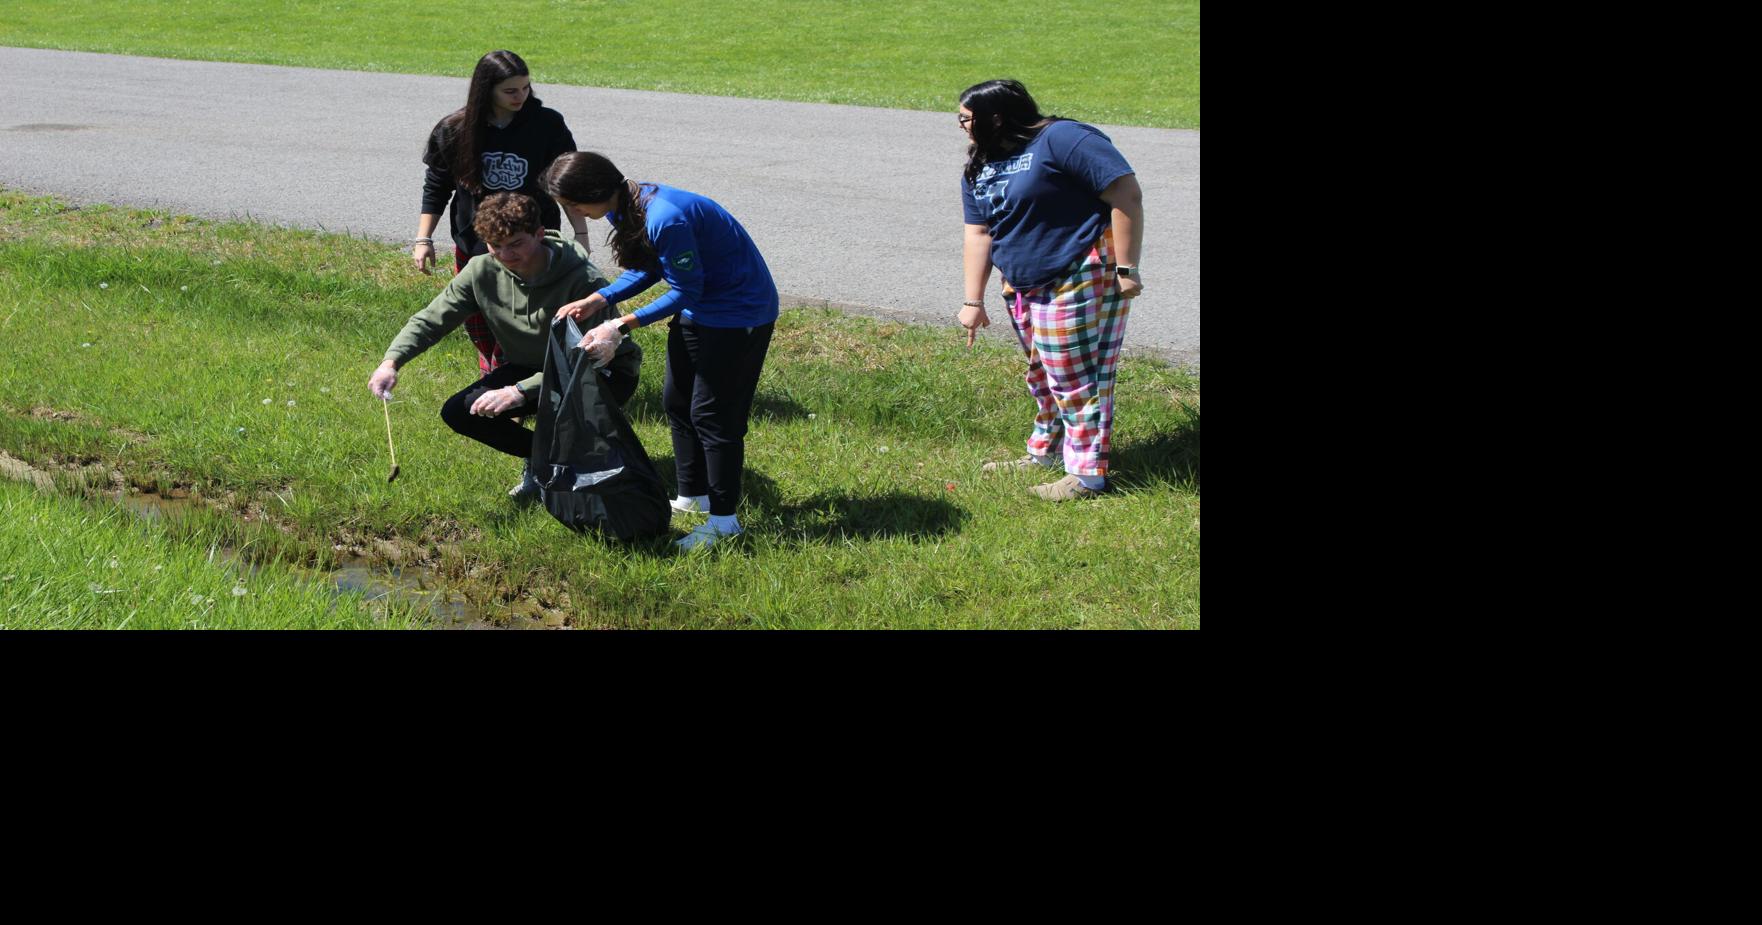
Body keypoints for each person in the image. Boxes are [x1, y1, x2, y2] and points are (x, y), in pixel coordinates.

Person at [541, 152, 779, 551]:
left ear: (596, 191)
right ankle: (693, 496)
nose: (573, 212)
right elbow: (652, 267)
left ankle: (724, 521)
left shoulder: (665, 216)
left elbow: (687, 288)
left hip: (739, 314)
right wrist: (600, 298)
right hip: (700, 311)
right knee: (677, 401)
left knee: (713, 416)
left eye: (574, 203)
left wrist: (620, 324)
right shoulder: (625, 206)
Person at [371, 193, 640, 499]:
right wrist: (391, 362)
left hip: (601, 371)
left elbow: (587, 359)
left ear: (539, 234)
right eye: (495, 246)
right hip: (534, 364)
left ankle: (584, 463)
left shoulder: (584, 280)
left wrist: (518, 391)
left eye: (515, 244)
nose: (505, 255)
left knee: (560, 415)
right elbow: (432, 319)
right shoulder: (481, 270)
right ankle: (551, 463)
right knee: (460, 412)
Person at [956, 79, 1144, 501]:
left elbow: (1125, 192)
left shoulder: (1062, 138)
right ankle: (1046, 449)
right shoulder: (982, 164)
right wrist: (973, 299)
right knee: (1043, 376)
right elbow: (979, 232)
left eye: (966, 119)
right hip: (1021, 284)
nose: (961, 127)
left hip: (1080, 270)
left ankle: (1088, 476)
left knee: (1076, 380)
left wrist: (1128, 266)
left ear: (997, 117)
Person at [412, 50, 592, 378]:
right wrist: (423, 238)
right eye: (510, 90)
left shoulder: (547, 124)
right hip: (476, 248)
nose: (520, 96)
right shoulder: (455, 129)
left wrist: (581, 235)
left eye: (525, 88)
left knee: (522, 327)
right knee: (481, 326)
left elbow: (564, 183)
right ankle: (499, 383)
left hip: (531, 247)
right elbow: (437, 186)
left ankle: (509, 388)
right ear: (487, 89)